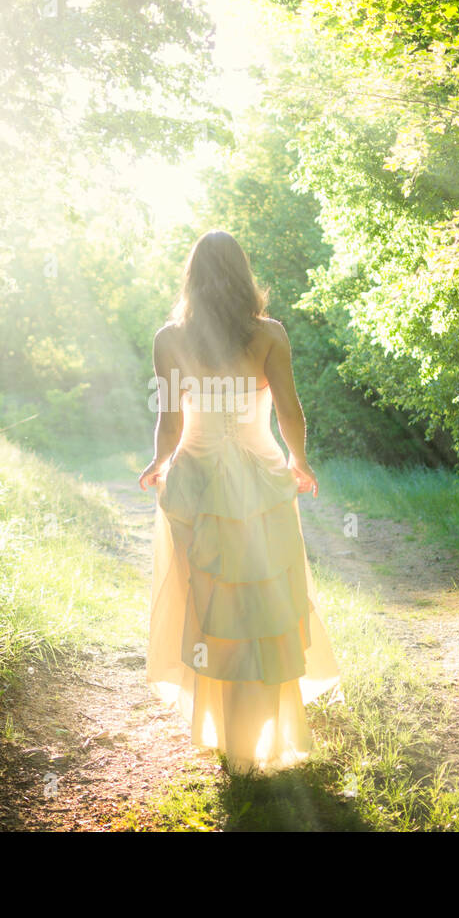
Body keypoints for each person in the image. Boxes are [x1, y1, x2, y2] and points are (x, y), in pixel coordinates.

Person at [138, 229, 343, 775]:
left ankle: (231, 740)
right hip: (258, 482)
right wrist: (298, 462)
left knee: (213, 609)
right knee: (264, 607)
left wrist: (159, 464)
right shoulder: (269, 334)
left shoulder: (168, 338)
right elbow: (289, 411)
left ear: (192, 277)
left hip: (198, 483)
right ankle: (259, 738)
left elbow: (170, 419)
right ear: (244, 274)